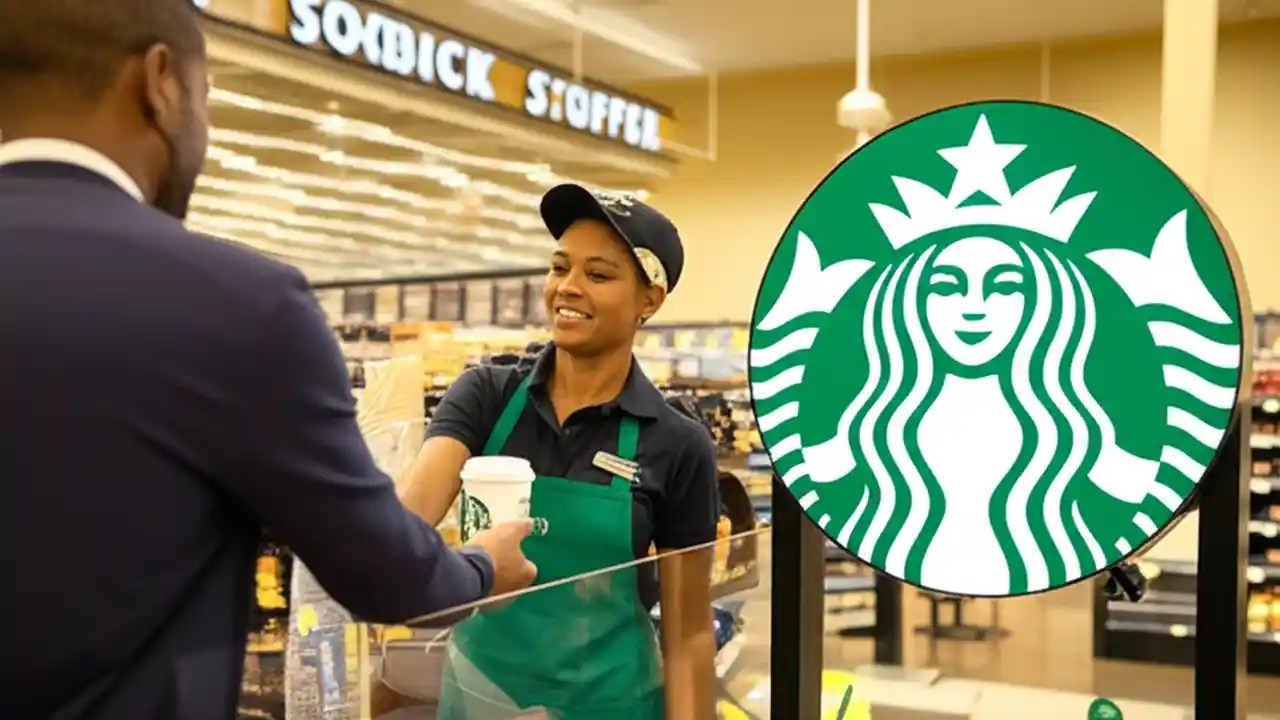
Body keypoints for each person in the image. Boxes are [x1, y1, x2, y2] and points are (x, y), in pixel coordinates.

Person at [0, 2, 535, 718]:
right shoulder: (235, 306)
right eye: (206, 96)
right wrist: (482, 567)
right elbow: (387, 578)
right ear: (160, 83)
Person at [401, 184, 721, 719]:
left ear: (650, 299)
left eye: (598, 275)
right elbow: (406, 525)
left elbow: (688, 634)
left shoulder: (677, 443)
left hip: (612, 705)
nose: (568, 288)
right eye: (559, 267)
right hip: (483, 703)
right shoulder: (487, 397)